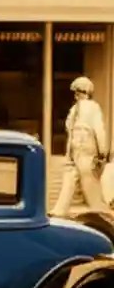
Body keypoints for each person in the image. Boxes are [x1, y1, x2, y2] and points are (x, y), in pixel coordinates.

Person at [51, 76, 111, 217]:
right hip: (83, 148)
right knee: (79, 179)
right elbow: (98, 130)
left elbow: (71, 129)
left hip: (80, 149)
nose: (75, 95)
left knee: (80, 180)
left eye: (77, 92)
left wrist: (70, 152)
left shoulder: (80, 109)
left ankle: (61, 210)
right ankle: (61, 210)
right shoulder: (86, 108)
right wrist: (103, 151)